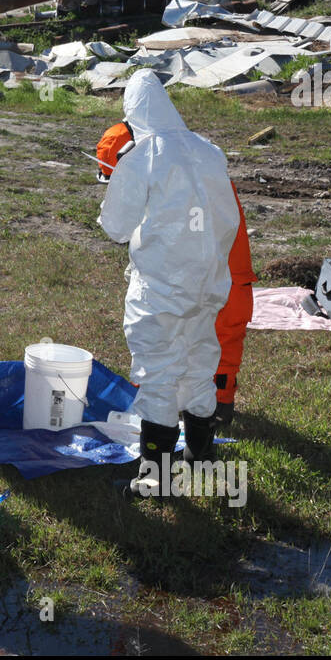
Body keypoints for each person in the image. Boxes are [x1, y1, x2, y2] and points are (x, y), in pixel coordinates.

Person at [97, 69, 239, 470]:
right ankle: (200, 453)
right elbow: (226, 218)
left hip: (160, 287)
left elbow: (116, 228)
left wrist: (116, 182)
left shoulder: (144, 155)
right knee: (199, 362)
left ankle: (155, 476)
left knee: (158, 372)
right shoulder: (209, 150)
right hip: (209, 282)